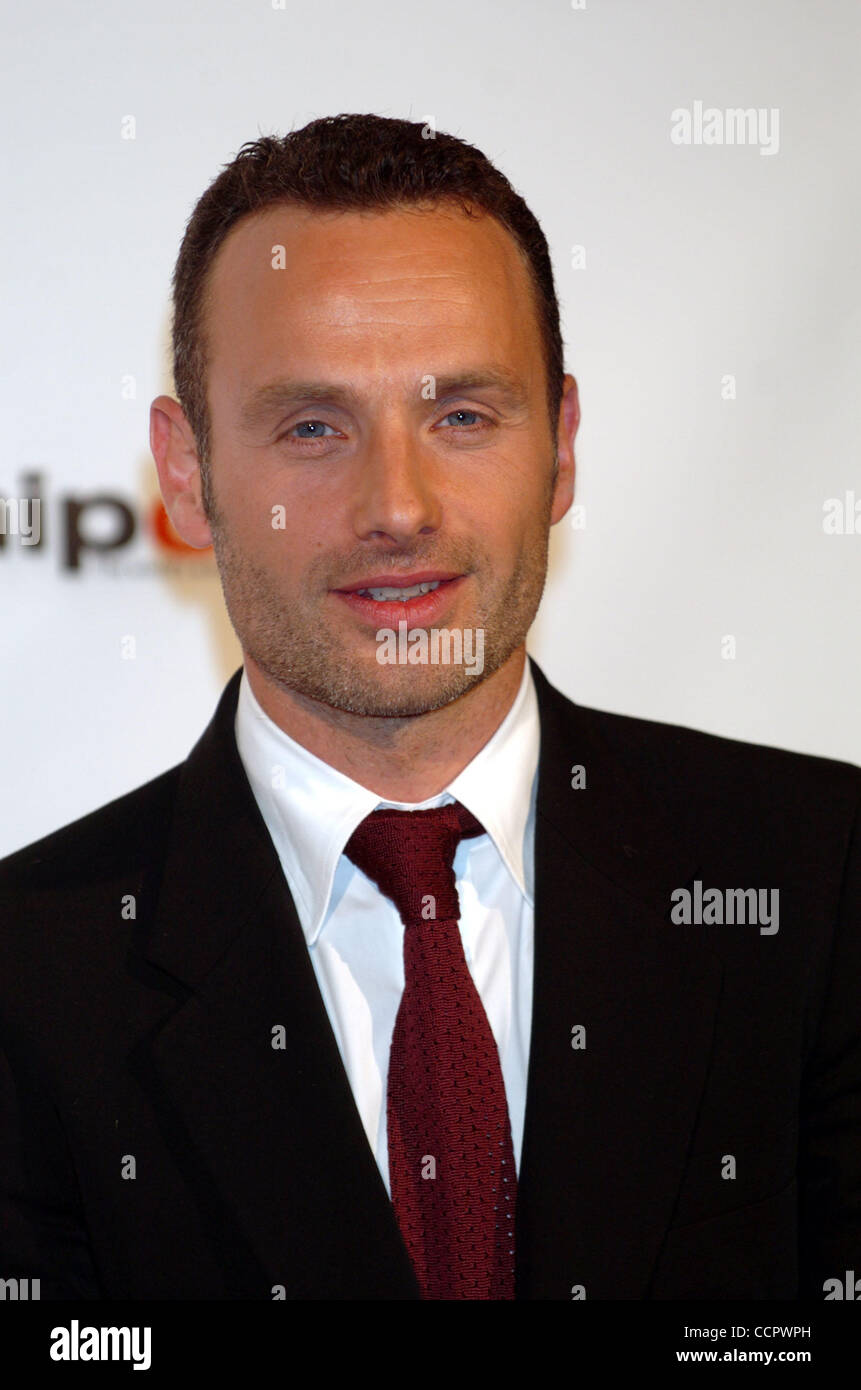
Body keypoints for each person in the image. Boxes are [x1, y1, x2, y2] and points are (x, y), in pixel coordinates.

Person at [0, 113, 858, 1302]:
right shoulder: (27, 980)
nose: (397, 506)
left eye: (462, 415)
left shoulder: (821, 881)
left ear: (561, 448)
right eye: (313, 426)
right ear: (188, 473)